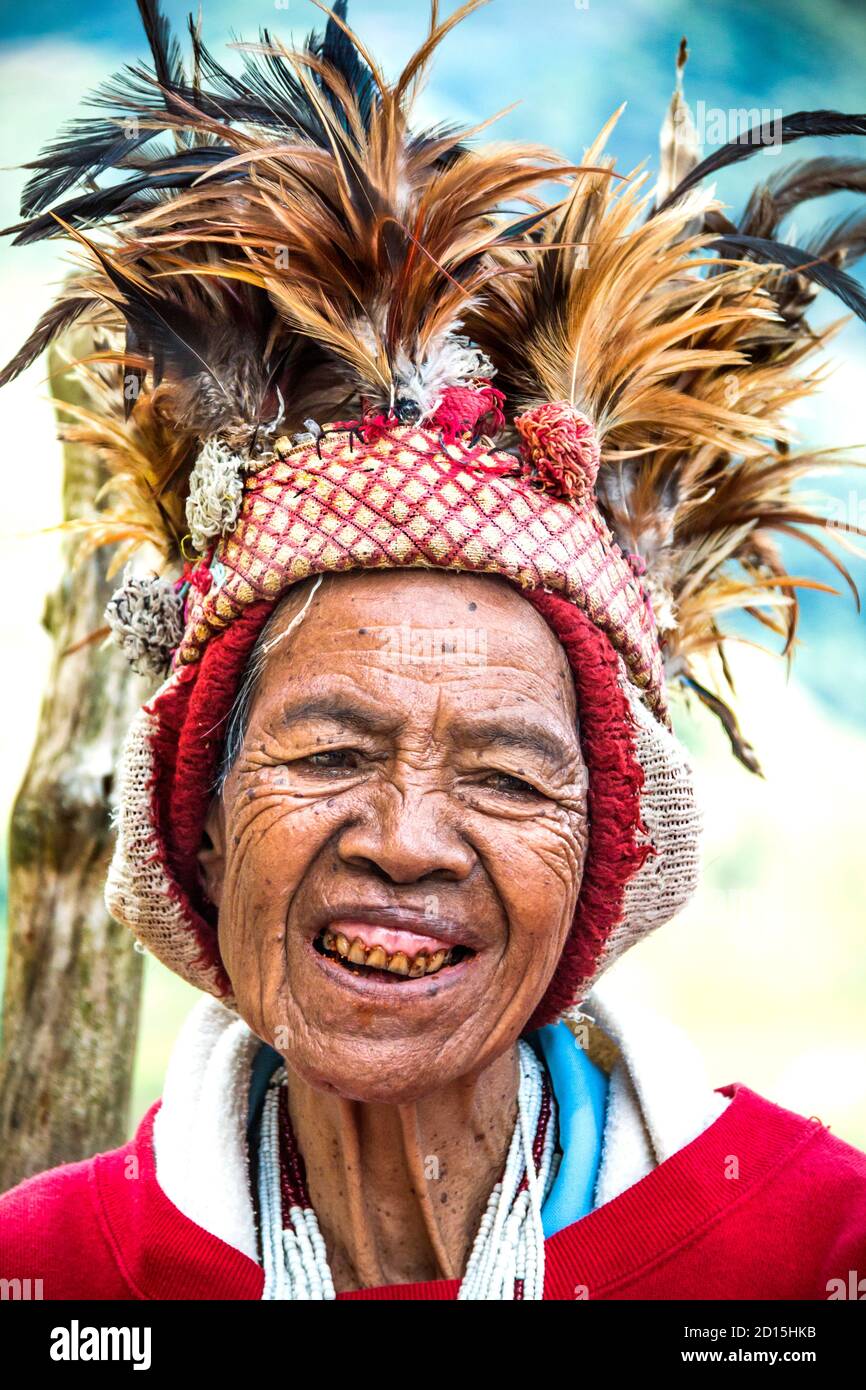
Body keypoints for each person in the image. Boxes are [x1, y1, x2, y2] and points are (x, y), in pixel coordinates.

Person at [0, 0, 865, 1300]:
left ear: (607, 858)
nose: (406, 837)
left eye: (511, 777)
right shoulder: (56, 1275)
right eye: (331, 747)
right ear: (202, 814)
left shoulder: (808, 1254)